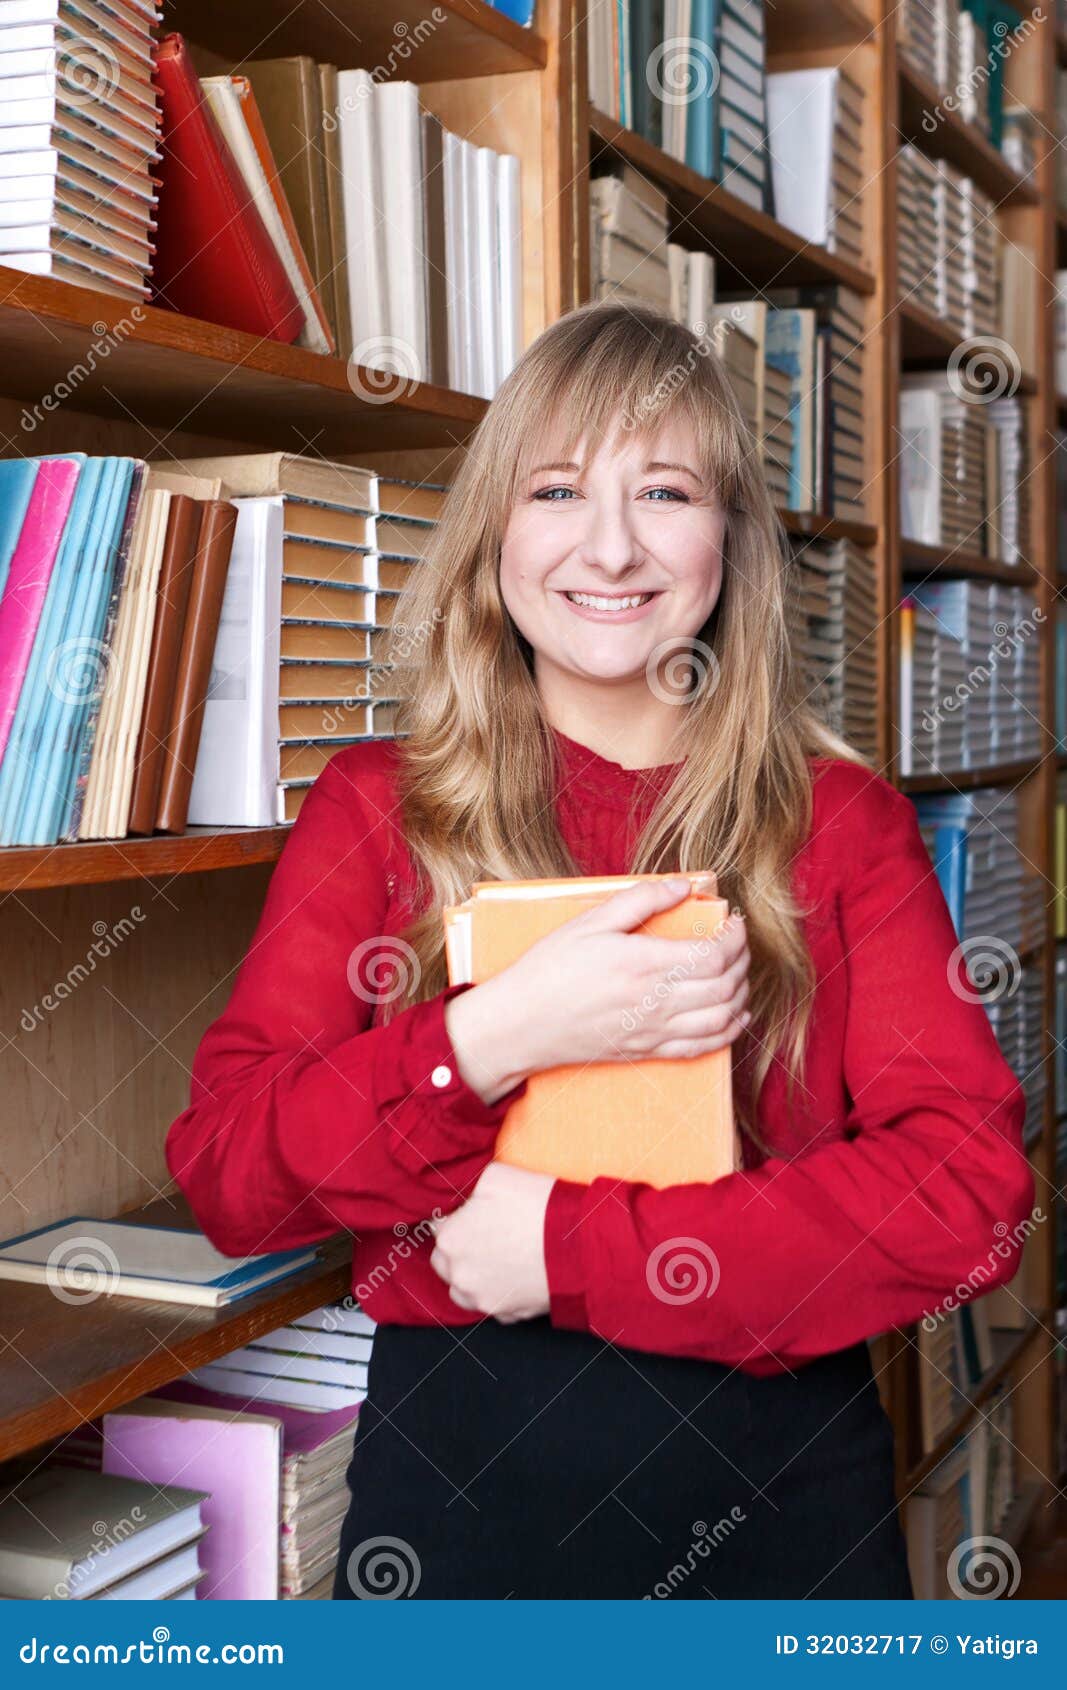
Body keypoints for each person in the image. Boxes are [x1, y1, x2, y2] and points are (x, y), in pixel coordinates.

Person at [165, 301, 1033, 1600]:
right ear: (497, 534)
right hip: (457, 1499)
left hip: (780, 1504)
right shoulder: (373, 808)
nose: (612, 546)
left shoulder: (839, 824)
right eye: (559, 488)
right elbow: (233, 1176)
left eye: (666, 490)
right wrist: (499, 1032)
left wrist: (573, 1247)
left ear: (729, 539)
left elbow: (967, 1203)